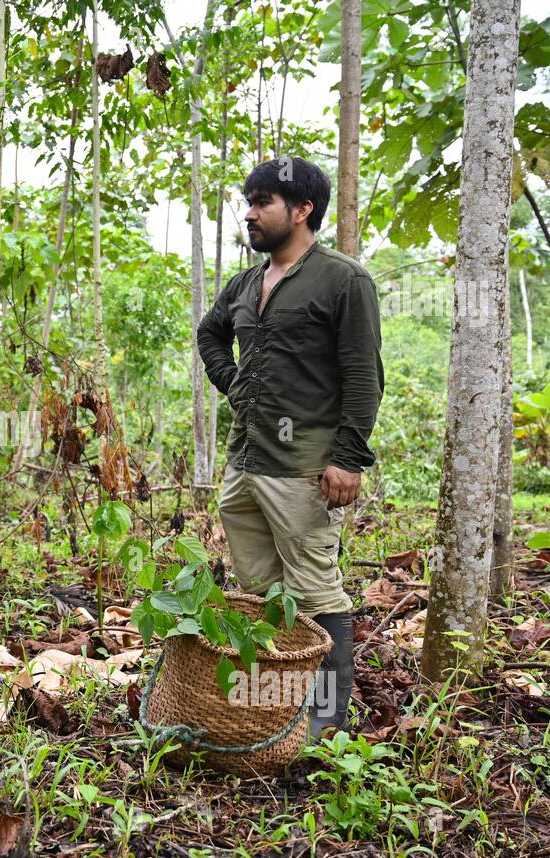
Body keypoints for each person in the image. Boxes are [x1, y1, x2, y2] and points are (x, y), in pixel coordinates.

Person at [195, 158, 383, 739]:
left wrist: (348, 458)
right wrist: (233, 381)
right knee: (261, 590)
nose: (249, 214)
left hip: (303, 466)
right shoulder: (247, 284)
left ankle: (326, 726)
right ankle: (276, 707)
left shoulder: (343, 280)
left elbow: (364, 375)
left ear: (302, 211)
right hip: (246, 462)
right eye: (248, 201)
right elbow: (210, 332)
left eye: (263, 203)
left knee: (315, 590)